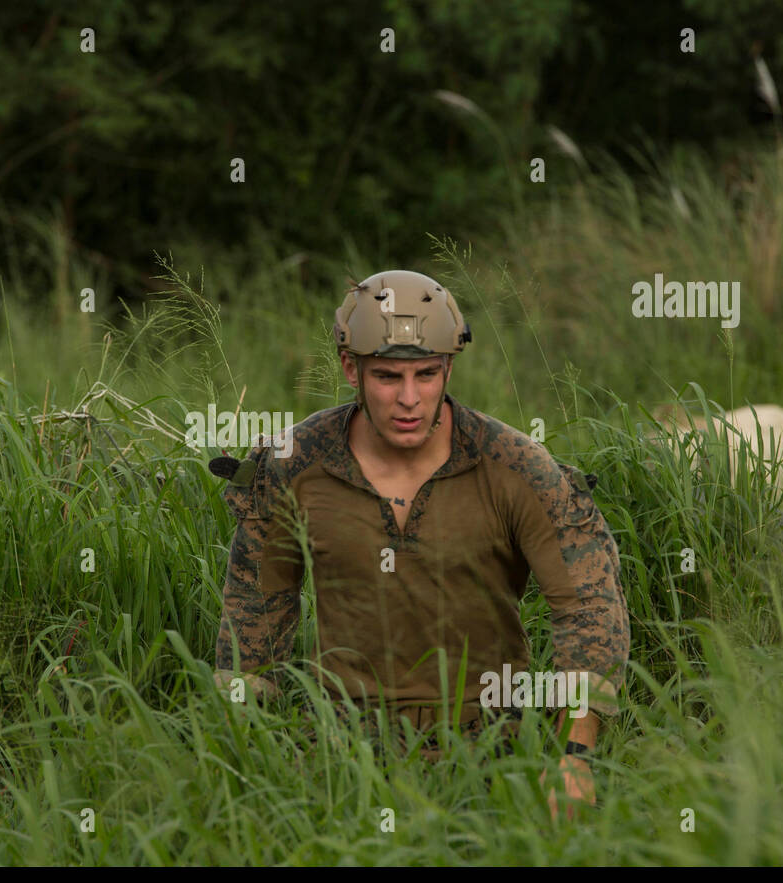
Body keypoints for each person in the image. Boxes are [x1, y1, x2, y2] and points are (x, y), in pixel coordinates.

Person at [210, 269, 631, 820]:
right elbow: (253, 620)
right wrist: (247, 765)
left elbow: (587, 606)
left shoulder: (515, 465)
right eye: (386, 377)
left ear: (448, 369)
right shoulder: (295, 465)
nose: (409, 400)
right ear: (350, 370)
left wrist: (574, 755)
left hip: (494, 743)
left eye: (427, 375)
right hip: (344, 755)